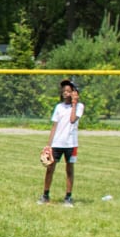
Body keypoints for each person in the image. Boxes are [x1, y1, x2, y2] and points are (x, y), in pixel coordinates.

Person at [40, 78, 83, 207]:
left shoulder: (79, 107)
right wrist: (49, 145)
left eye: (68, 91)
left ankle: (68, 197)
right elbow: (54, 126)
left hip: (71, 144)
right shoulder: (59, 107)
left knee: (69, 170)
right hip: (57, 143)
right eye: (63, 90)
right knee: (50, 168)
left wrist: (74, 103)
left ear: (74, 93)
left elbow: (72, 120)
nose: (65, 93)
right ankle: (45, 195)